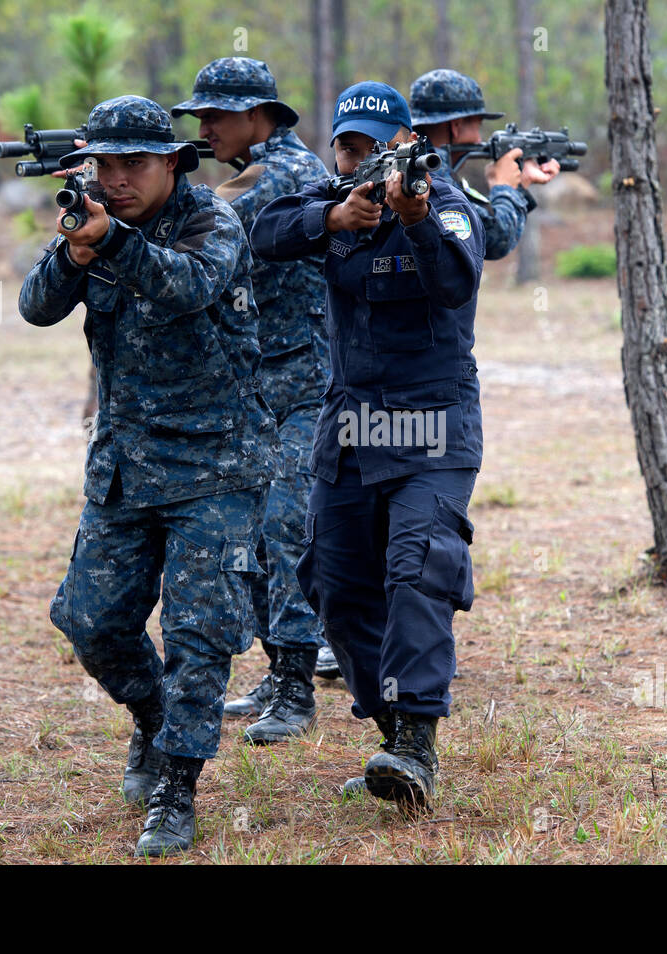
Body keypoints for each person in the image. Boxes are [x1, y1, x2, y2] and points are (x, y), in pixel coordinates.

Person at [18, 95, 278, 856]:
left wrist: (115, 242)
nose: (119, 178)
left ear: (172, 162)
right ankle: (153, 718)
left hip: (216, 467)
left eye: (136, 163)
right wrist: (75, 249)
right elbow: (36, 309)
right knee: (91, 622)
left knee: (200, 637)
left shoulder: (213, 222)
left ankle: (177, 788)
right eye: (106, 164)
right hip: (127, 467)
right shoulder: (92, 220)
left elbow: (187, 284)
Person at [250, 82, 485, 809]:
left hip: (431, 431)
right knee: (336, 583)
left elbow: (452, 281)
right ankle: (391, 731)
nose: (355, 156)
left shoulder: (444, 202)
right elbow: (266, 231)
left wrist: (410, 217)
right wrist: (333, 213)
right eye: (346, 145)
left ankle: (416, 740)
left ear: (403, 145)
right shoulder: (337, 198)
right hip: (351, 428)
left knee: (416, 570)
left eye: (368, 146)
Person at [170, 58, 338, 744]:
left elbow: (205, 223)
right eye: (198, 118)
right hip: (263, 385)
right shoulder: (254, 171)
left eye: (215, 116)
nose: (205, 128)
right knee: (261, 539)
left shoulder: (285, 174)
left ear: (259, 116)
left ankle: (298, 688)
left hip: (306, 383)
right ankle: (278, 674)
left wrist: (138, 185)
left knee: (285, 528)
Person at [408, 69, 560, 261]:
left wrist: (521, 181)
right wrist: (504, 187)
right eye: (477, 127)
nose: (480, 139)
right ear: (456, 126)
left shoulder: (412, 164)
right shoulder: (434, 178)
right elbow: (492, 239)